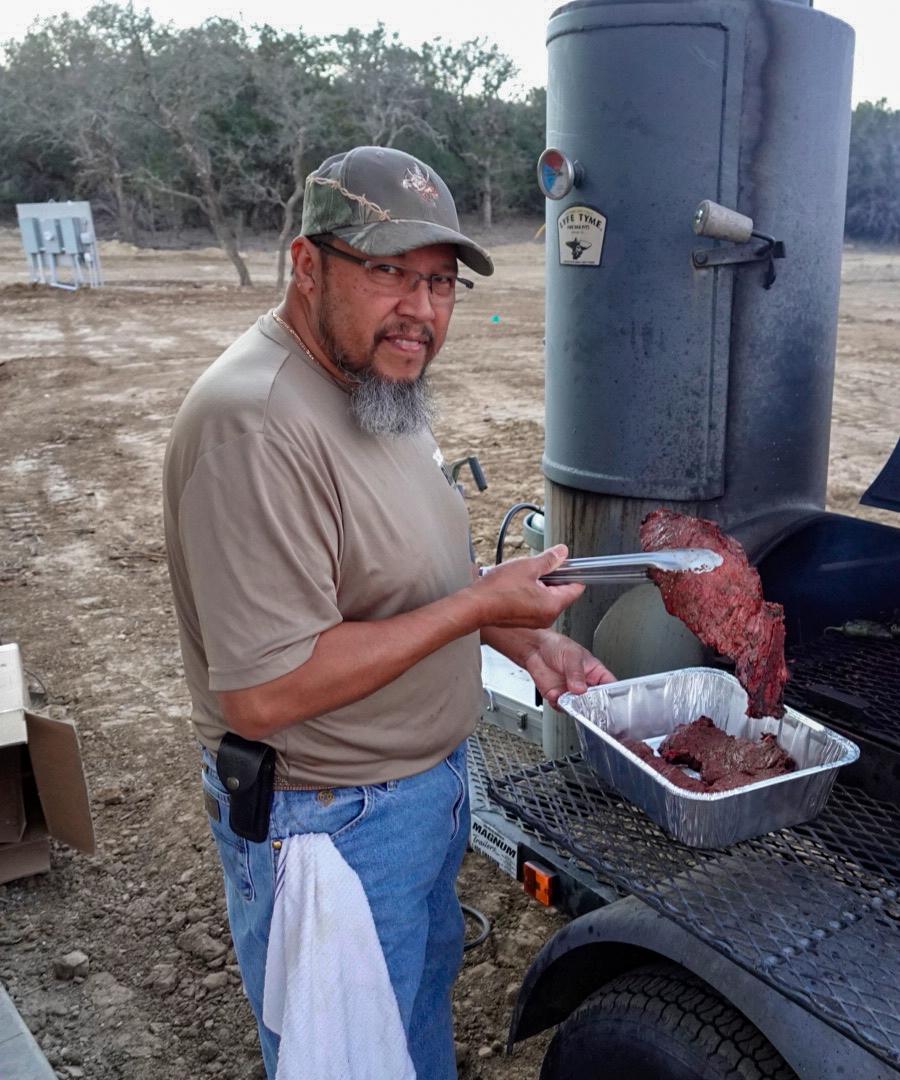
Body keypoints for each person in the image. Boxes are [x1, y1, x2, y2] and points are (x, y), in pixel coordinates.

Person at [162, 145, 614, 1078]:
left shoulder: (377, 385)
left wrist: (517, 637)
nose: (421, 308)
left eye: (440, 282)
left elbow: (396, 574)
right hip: (329, 823)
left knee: (408, 1034)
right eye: (387, 271)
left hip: (419, 795)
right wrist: (478, 604)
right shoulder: (258, 422)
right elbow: (263, 691)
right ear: (307, 265)